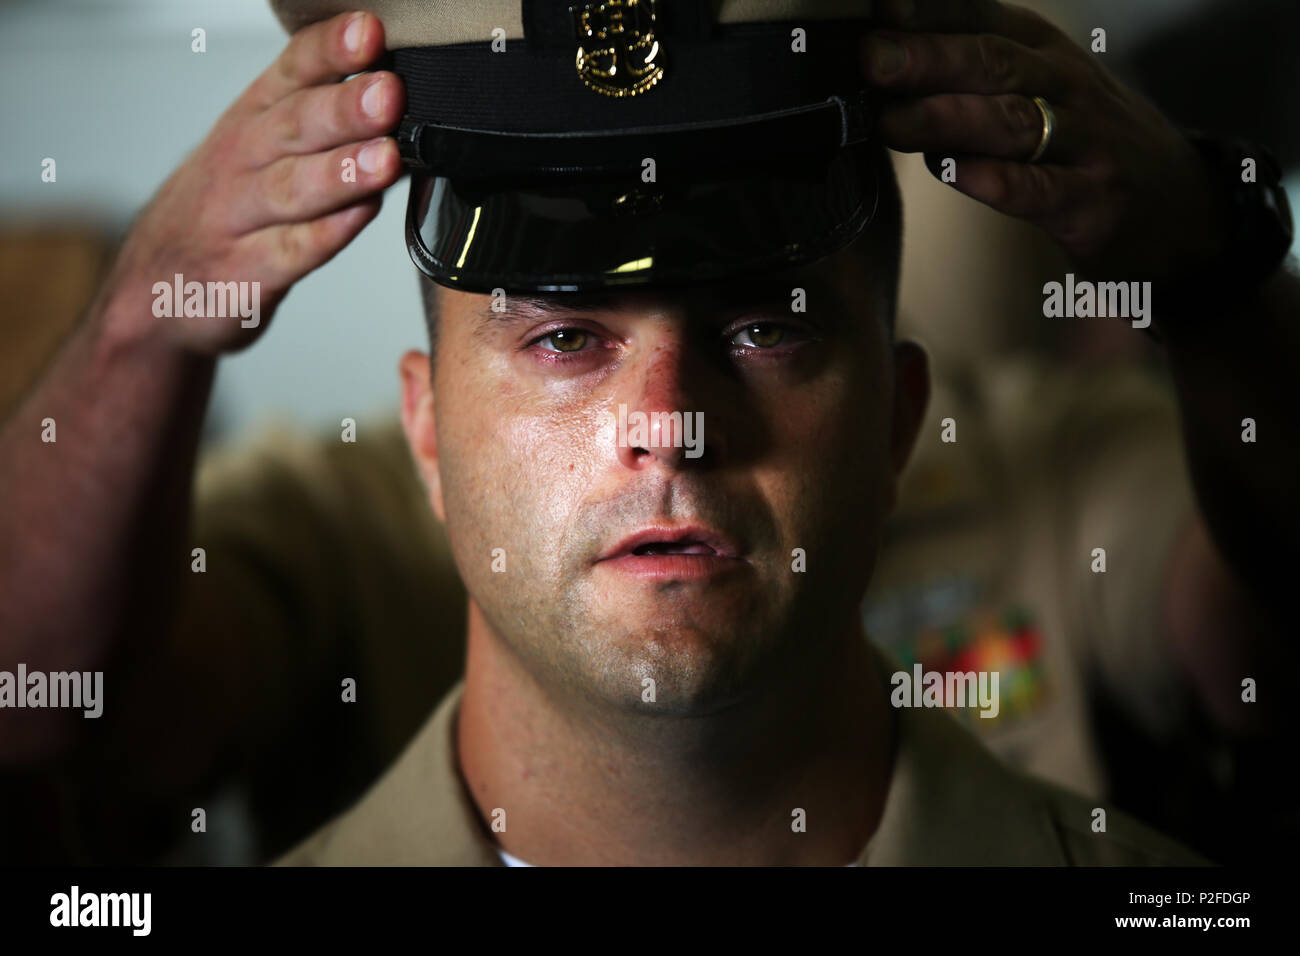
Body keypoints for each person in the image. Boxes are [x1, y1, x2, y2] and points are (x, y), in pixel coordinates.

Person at [2, 0, 1294, 865]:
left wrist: (1220, 264)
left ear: (902, 419)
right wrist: (138, 322)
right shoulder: (335, 535)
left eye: (765, 329)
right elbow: (42, 711)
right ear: (425, 431)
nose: (669, 424)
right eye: (565, 336)